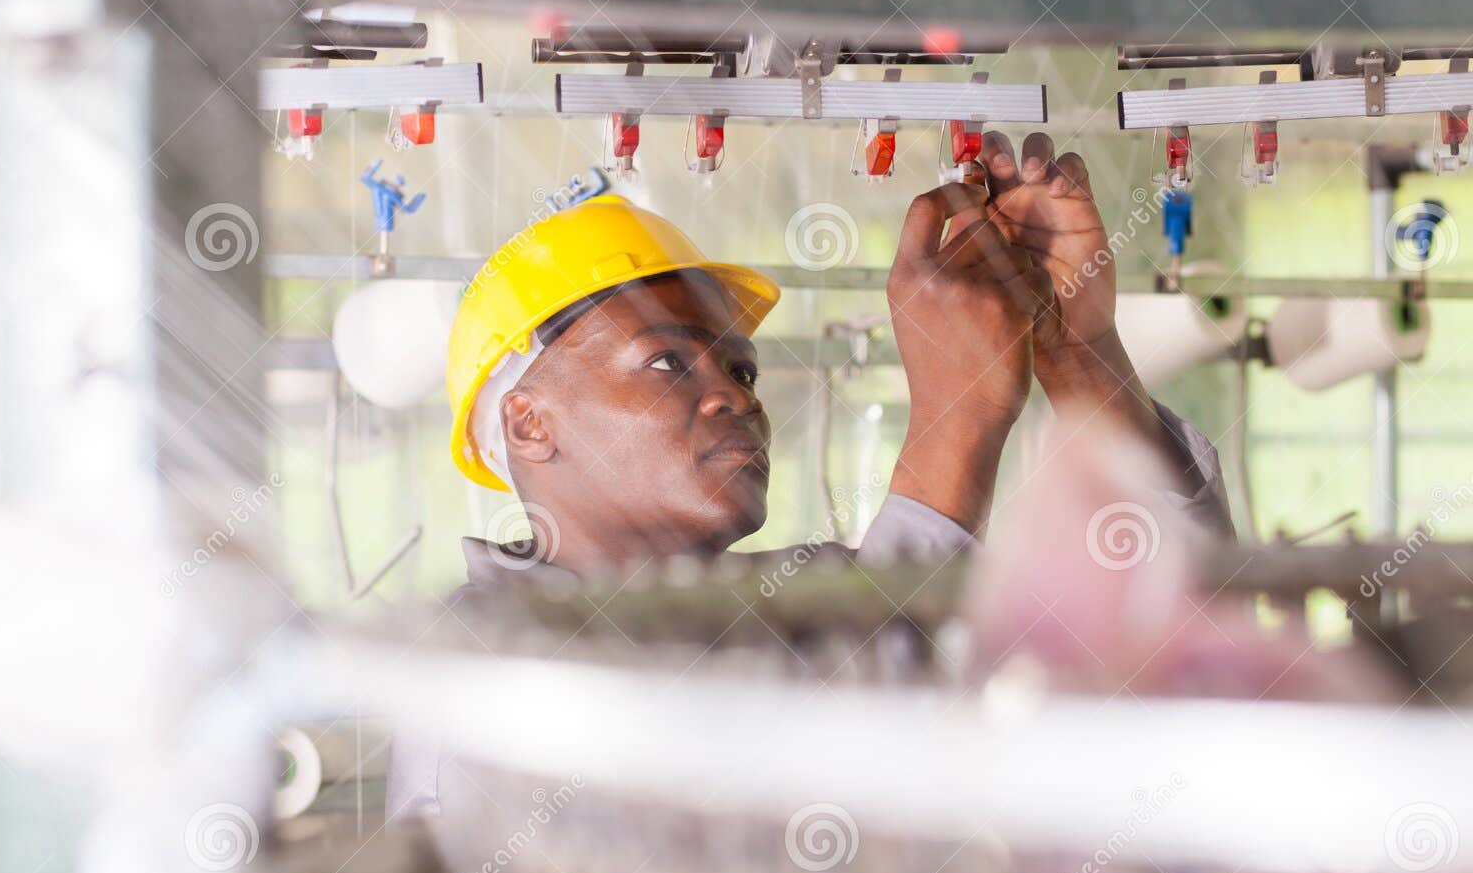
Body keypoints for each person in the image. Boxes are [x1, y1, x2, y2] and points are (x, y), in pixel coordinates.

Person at [443, 132, 1228, 590]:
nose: (734, 397)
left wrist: (1077, 356)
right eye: (666, 365)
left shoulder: (792, 606)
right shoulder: (482, 671)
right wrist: (960, 418)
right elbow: (883, 698)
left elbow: (1195, 627)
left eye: (741, 370)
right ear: (529, 420)